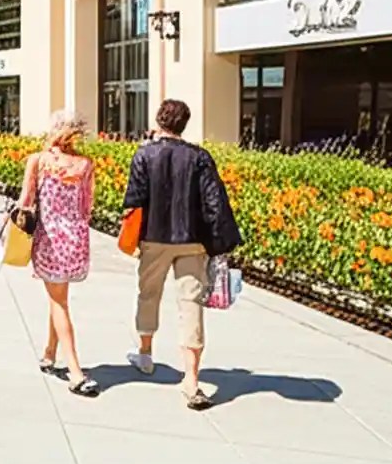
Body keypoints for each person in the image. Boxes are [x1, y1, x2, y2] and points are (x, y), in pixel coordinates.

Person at [121, 99, 242, 411]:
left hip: (154, 237)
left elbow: (135, 199)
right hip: (192, 240)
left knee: (148, 294)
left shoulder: (145, 154)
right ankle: (191, 378)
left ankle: (145, 355)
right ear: (184, 124)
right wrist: (219, 242)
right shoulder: (200, 157)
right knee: (191, 304)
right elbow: (214, 202)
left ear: (159, 120)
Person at [16, 110, 99, 397]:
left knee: (59, 302)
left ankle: (74, 371)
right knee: (59, 298)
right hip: (75, 238)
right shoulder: (85, 164)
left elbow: (25, 202)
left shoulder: (39, 161)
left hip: (49, 238)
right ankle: (50, 352)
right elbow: (87, 207)